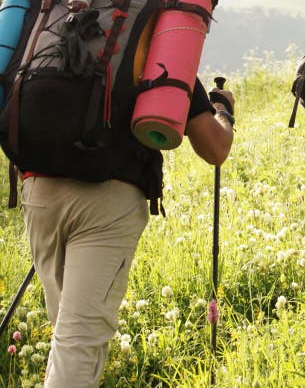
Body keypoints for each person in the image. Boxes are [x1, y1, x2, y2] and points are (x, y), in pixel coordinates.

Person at [20, 77, 235, 387]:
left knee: (66, 337)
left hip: (38, 190)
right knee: (77, 347)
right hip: (107, 200)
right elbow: (215, 147)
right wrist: (223, 111)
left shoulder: (54, 31)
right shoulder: (156, 39)